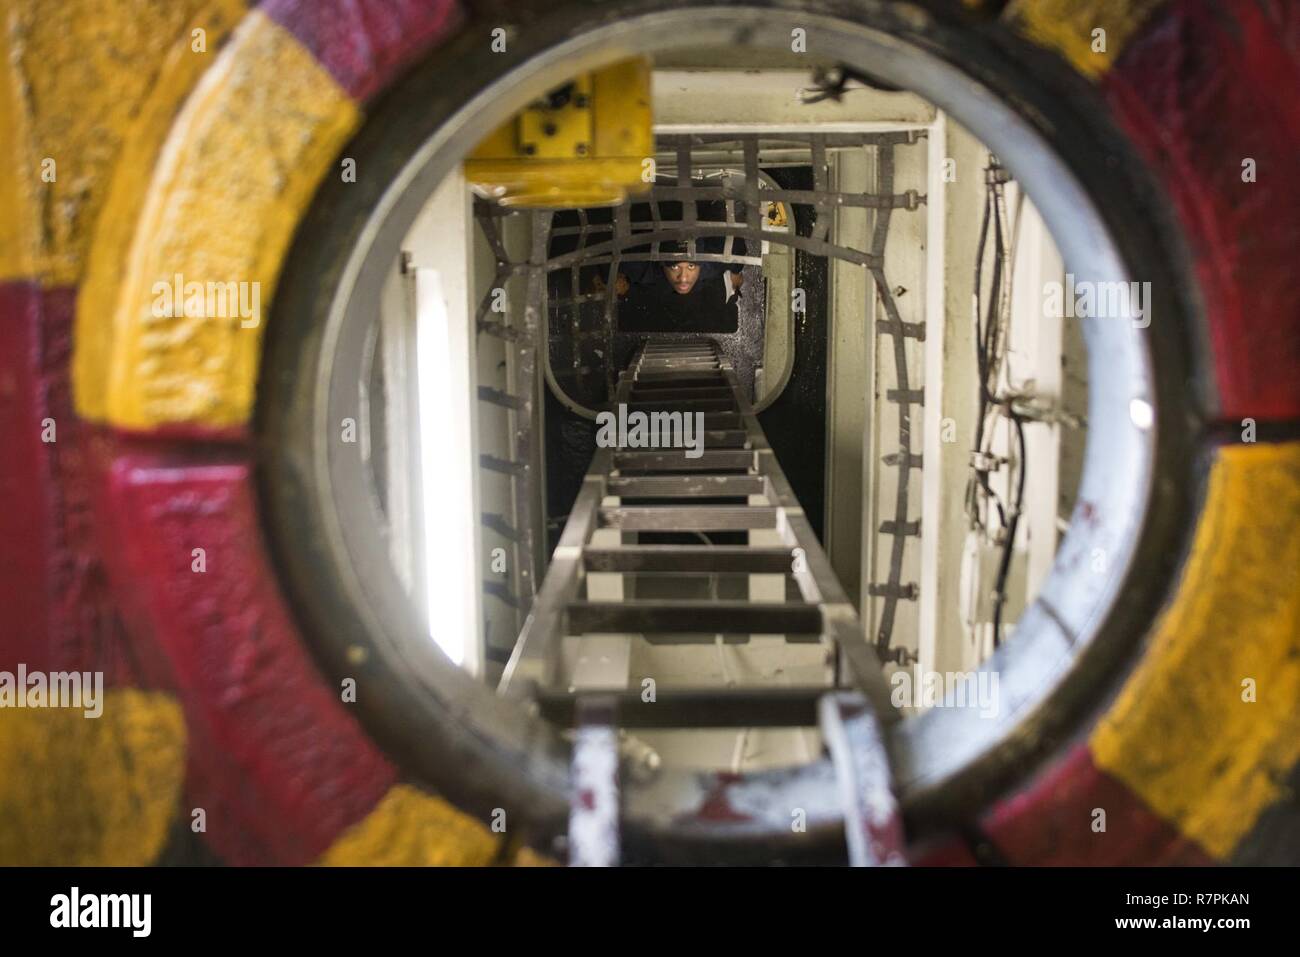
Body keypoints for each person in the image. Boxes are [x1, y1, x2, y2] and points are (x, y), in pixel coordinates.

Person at [595, 239, 747, 334]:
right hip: (655, 286)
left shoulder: (713, 264)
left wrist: (736, 271)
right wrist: (615, 280)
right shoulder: (642, 267)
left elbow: (738, 246)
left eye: (691, 266)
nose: (683, 278)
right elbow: (608, 259)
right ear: (662, 264)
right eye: (675, 267)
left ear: (701, 264)